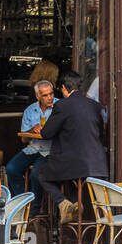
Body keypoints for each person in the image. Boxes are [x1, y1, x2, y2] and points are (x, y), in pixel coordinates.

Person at [38, 70, 109, 228]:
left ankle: (63, 203)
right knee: (75, 182)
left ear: (63, 88)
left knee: (41, 173)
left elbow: (46, 133)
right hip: (97, 165)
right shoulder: (95, 106)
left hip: (73, 164)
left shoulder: (62, 105)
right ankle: (75, 204)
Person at [4, 80, 54, 211]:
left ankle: (34, 208)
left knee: (35, 174)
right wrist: (32, 130)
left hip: (51, 150)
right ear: (38, 96)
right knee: (11, 168)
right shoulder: (30, 110)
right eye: (45, 95)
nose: (50, 98)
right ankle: (22, 203)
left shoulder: (60, 106)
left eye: (51, 94)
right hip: (33, 148)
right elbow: (24, 140)